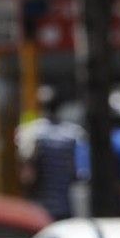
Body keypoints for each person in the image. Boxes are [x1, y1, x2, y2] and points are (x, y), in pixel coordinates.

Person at [17, 86, 87, 220]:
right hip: (65, 206)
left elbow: (27, 176)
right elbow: (80, 173)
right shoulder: (73, 134)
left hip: (39, 209)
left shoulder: (31, 133)